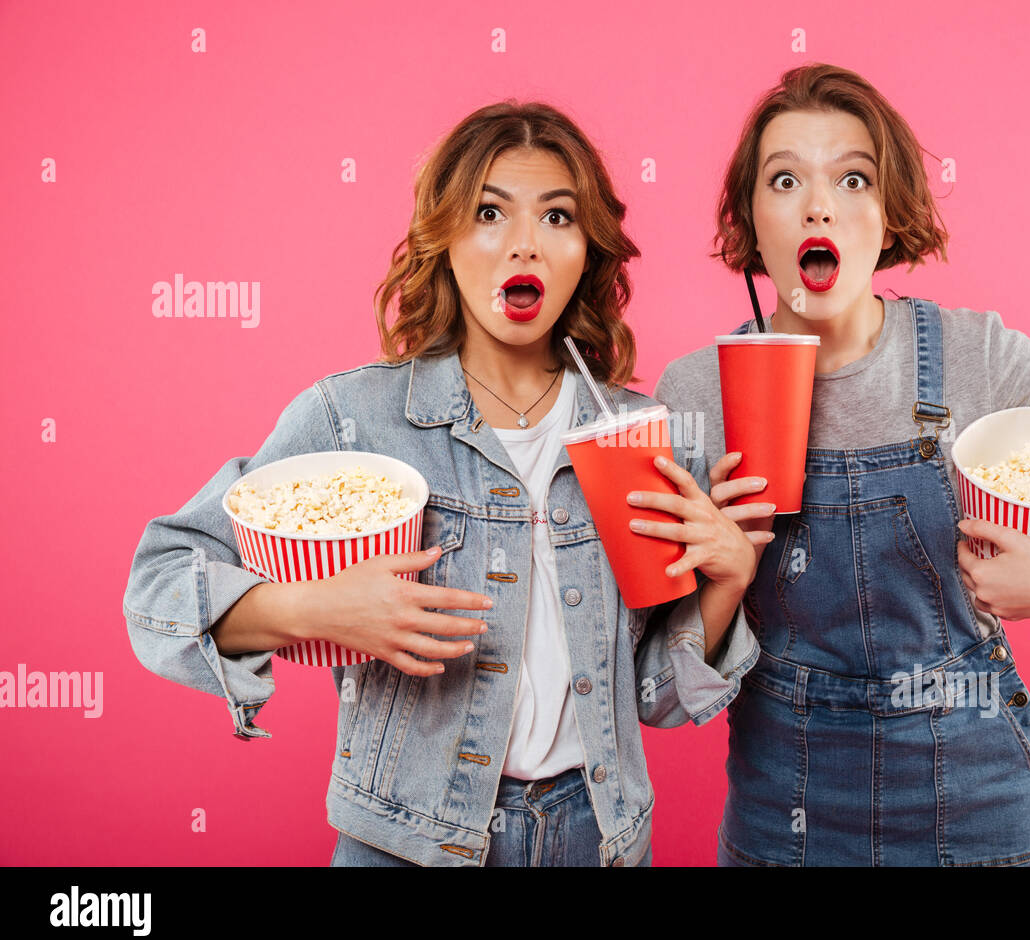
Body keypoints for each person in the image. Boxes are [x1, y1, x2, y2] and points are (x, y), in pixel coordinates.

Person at [122, 101, 761, 868]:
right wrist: (316, 609)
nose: (524, 243)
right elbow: (157, 591)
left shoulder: (635, 430)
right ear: (446, 238)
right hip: (408, 845)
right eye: (490, 212)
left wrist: (726, 581)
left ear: (587, 251)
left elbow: (653, 698)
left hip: (600, 840)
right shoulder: (356, 421)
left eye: (558, 218)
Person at [645, 63, 1030, 866]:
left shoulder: (973, 356)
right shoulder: (694, 394)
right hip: (786, 812)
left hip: (977, 799)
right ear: (751, 220)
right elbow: (663, 697)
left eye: (853, 179)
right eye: (785, 180)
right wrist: (728, 580)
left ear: (889, 218)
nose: (819, 204)